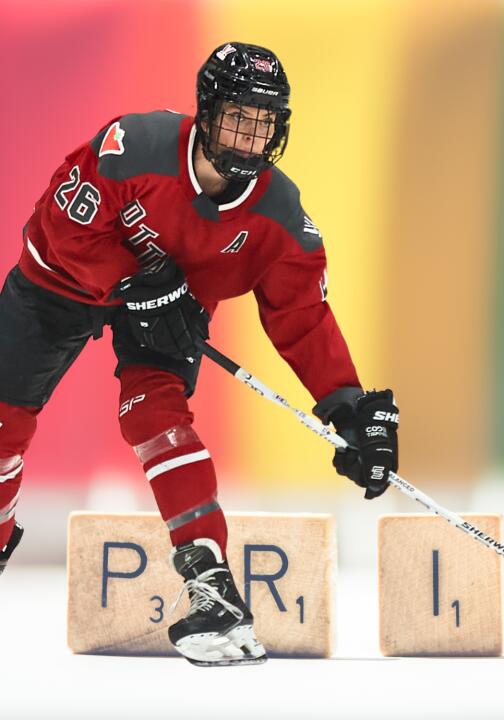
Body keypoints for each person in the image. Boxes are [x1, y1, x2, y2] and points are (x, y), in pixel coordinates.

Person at [0, 42, 400, 666]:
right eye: (238, 116)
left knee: (154, 418)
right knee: (3, 422)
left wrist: (348, 404)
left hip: (172, 307)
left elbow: (303, 314)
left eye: (264, 122)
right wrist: (132, 280)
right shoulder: (132, 147)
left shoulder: (280, 216)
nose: (249, 135)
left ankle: (213, 588)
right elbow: (61, 226)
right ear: (206, 114)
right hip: (59, 283)